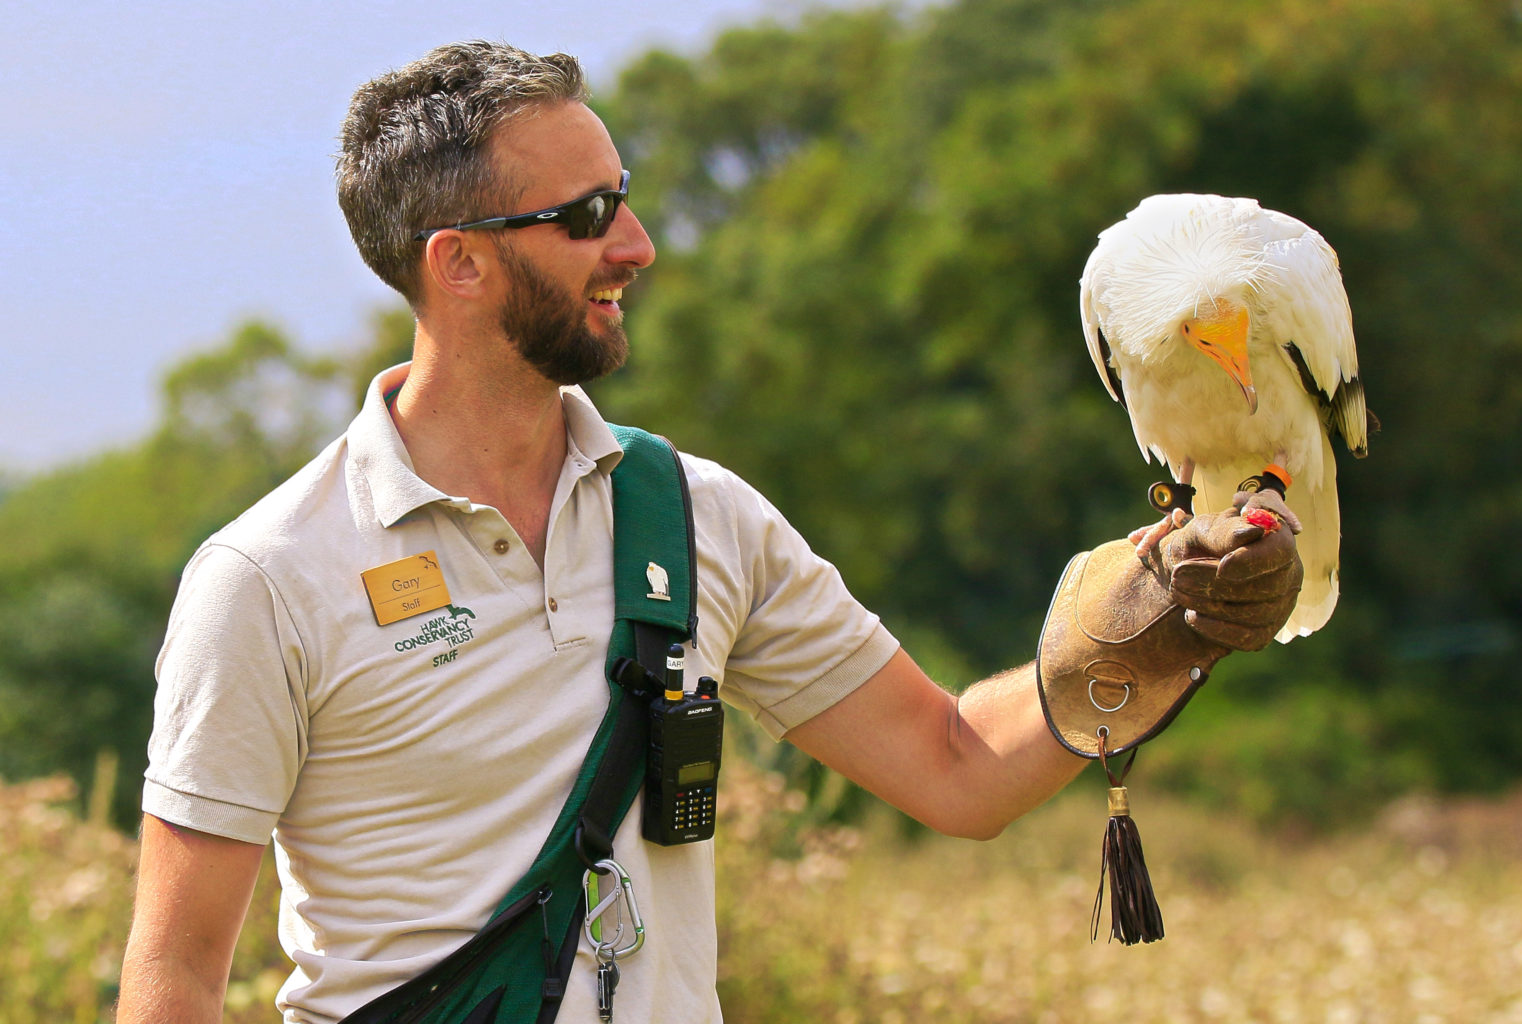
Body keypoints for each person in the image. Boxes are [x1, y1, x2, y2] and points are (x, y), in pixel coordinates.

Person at [118, 41, 1301, 1024]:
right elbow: (174, 973)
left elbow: (954, 766)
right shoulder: (268, 578)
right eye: (586, 216)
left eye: (623, 195)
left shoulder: (697, 517)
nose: (635, 245)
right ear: (460, 264)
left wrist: (1159, 619)